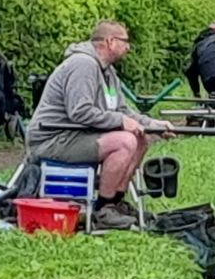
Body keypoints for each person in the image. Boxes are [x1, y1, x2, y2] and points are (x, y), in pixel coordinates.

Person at [26, 20, 175, 229]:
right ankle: (103, 210)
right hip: (53, 139)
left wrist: (152, 124)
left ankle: (116, 202)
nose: (128, 47)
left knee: (140, 139)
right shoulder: (83, 65)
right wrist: (121, 122)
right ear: (110, 41)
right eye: (125, 41)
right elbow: (80, 112)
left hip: (76, 135)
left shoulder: (108, 72)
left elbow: (122, 110)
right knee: (124, 142)